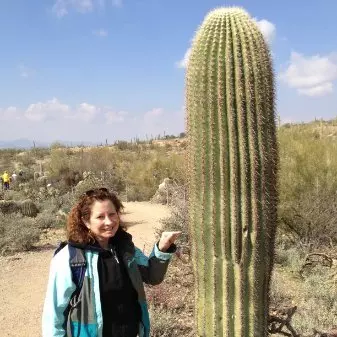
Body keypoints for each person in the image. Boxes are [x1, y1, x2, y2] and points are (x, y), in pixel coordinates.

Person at [42, 187, 181, 337]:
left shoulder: (125, 249)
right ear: (86, 221)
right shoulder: (71, 258)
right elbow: (54, 313)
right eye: (100, 217)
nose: (109, 221)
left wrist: (163, 248)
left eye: (112, 214)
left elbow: (152, 276)